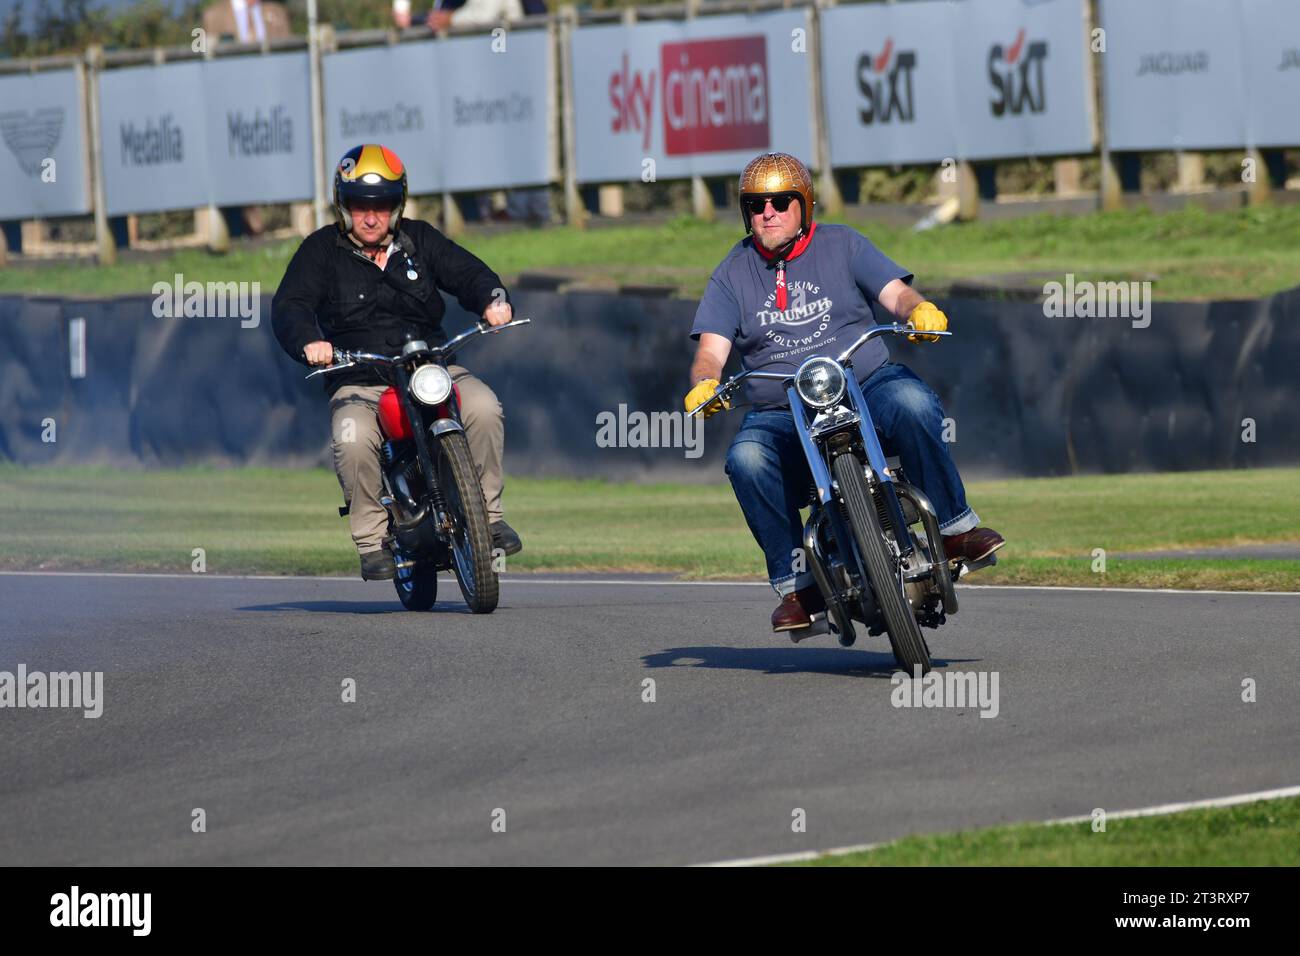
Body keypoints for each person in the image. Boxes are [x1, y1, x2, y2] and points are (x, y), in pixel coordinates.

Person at [684, 151, 1005, 633]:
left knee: (913, 402)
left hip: (865, 381)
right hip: (780, 406)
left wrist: (919, 310)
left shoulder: (843, 243)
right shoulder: (732, 272)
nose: (767, 212)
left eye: (779, 201)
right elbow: (712, 350)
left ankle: (956, 528)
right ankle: (797, 586)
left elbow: (896, 294)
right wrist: (705, 382)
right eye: (755, 205)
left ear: (804, 205)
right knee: (746, 459)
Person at [272, 143, 523, 581]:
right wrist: (310, 341)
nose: (372, 217)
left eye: (383, 206)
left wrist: (493, 300)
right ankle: (372, 541)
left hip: (430, 368)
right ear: (342, 206)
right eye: (360, 206)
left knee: (484, 406)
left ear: (398, 205)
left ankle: (489, 517)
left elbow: (468, 273)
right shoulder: (320, 251)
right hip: (361, 379)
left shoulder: (420, 239)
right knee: (351, 438)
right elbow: (290, 306)